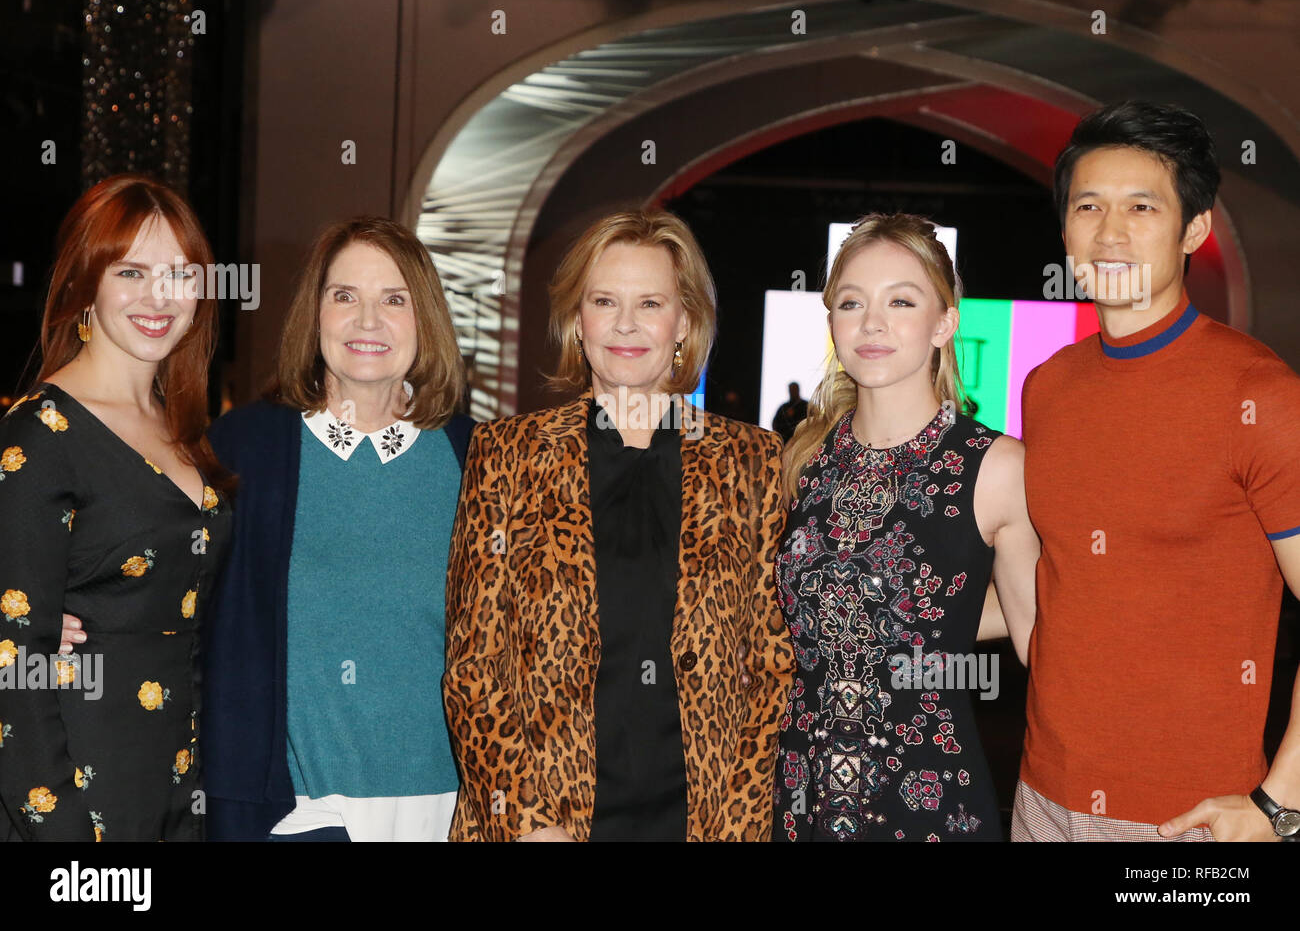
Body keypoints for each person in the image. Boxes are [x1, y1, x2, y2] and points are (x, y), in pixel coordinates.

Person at [443, 207, 793, 841]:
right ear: (579, 320)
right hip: (546, 827)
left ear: (685, 321)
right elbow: (475, 666)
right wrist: (526, 823)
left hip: (700, 823)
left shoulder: (754, 463)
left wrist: (734, 826)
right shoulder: (507, 455)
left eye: (651, 303)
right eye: (605, 300)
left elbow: (772, 666)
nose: (626, 324)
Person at [1014, 101, 1300, 842]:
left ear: (1194, 229)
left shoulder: (1259, 394)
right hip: (1040, 796)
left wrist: (1280, 802)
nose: (1110, 232)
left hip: (1188, 817)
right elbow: (1063, 580)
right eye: (1089, 206)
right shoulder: (1046, 387)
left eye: (1142, 206)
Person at [192, 218, 472, 840]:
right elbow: (172, 584)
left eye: (393, 299)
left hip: (449, 809)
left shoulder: (476, 457)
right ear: (313, 316)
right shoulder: (244, 450)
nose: (367, 321)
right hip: (291, 809)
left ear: (424, 317)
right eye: (344, 296)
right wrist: (80, 610)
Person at [772, 212, 1037, 842]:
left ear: (944, 322)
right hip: (797, 802)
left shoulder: (999, 467)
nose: (872, 323)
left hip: (929, 807)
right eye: (851, 302)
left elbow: (1044, 642)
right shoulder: (800, 462)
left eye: (902, 300)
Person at [0, 174, 232, 841]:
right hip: (75, 808)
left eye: (179, 274)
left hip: (176, 795)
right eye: (131, 271)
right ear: (86, 284)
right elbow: (15, 667)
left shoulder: (183, 428)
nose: (160, 297)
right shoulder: (41, 435)